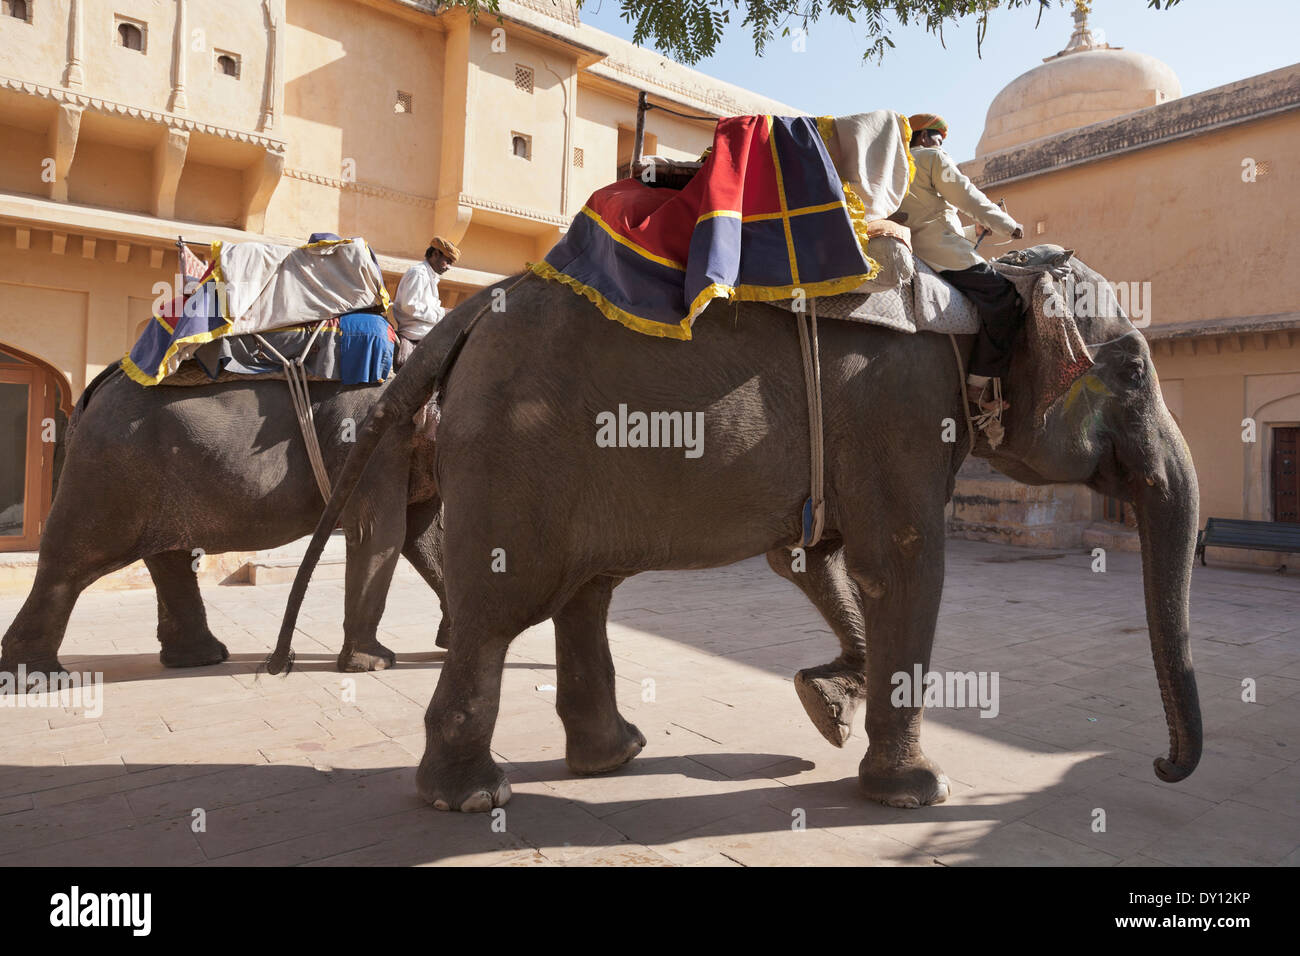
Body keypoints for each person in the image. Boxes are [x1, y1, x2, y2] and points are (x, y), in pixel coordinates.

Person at [897, 114, 1026, 418]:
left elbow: (926, 220)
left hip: (922, 250)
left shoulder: (897, 167)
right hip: (944, 255)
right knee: (1005, 299)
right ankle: (977, 385)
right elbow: (967, 196)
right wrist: (1008, 225)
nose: (941, 145)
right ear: (925, 137)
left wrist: (975, 232)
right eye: (939, 139)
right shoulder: (930, 157)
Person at [392, 236, 460, 364]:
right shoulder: (419, 273)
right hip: (415, 332)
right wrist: (443, 313)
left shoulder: (431, 276)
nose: (449, 267)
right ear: (435, 254)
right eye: (448, 262)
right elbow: (410, 306)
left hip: (426, 330)